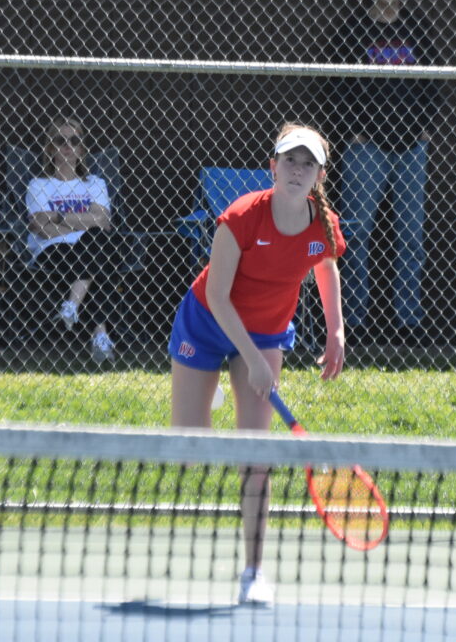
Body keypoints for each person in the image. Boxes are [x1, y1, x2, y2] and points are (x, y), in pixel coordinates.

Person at [168, 123, 347, 605]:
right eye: (289, 160)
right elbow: (220, 298)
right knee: (190, 450)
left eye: (307, 163)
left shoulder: (321, 225)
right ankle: (221, 382)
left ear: (318, 175)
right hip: (207, 323)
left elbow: (325, 266)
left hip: (267, 332)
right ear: (272, 166)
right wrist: (249, 362)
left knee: (256, 457)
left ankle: (253, 571)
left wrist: (335, 330)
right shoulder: (242, 217)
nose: (296, 169)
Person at [329, 0, 442, 344]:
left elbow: (437, 81)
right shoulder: (351, 32)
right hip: (365, 146)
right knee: (357, 232)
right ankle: (354, 320)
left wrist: (427, 127)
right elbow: (332, 86)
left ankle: (407, 320)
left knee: (410, 234)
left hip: (412, 146)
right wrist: (351, 130)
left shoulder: (419, 30)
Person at [25, 118, 129, 363]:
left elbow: (103, 222)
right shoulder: (38, 185)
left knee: (97, 240)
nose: (68, 146)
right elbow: (41, 229)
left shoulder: (95, 183)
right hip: (55, 250)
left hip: (93, 247)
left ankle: (72, 305)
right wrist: (83, 220)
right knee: (100, 255)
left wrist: (58, 217)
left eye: (75, 140)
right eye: (61, 140)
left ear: (82, 148)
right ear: (50, 148)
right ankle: (100, 334)